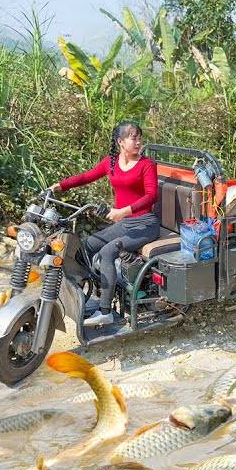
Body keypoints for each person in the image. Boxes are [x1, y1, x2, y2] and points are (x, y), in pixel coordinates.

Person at [49, 121, 159, 327]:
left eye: (139, 137)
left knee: (108, 252)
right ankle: (92, 292)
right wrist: (61, 185)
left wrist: (124, 211)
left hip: (145, 224)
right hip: (126, 224)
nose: (138, 141)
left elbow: (152, 195)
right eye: (133, 137)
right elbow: (87, 176)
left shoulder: (147, 165)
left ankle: (105, 311)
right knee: (88, 245)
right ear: (120, 141)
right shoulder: (111, 162)